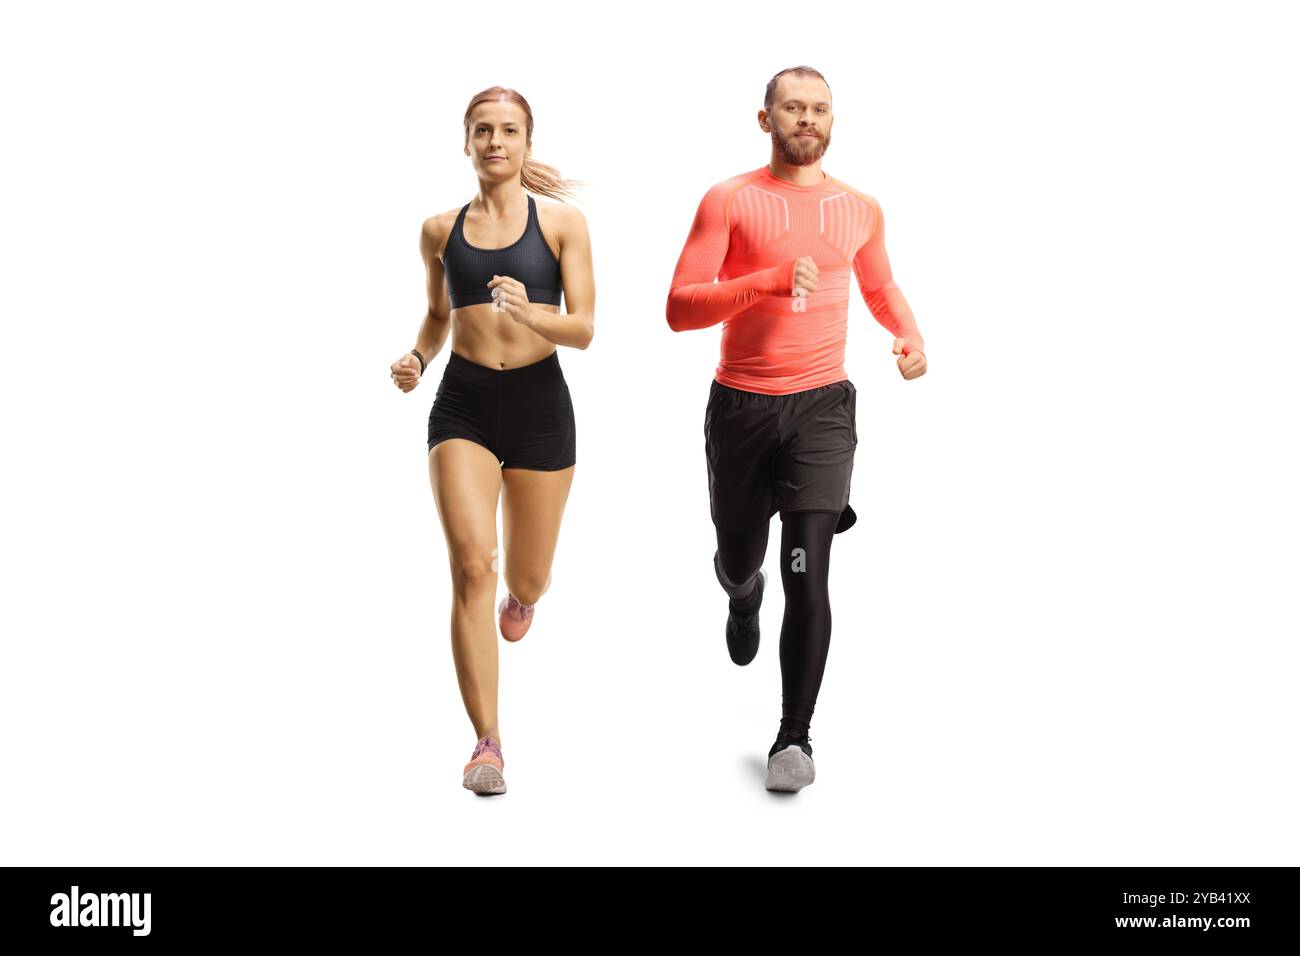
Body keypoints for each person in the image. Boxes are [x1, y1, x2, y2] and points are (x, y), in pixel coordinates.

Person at [665, 66, 927, 793]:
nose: (806, 119)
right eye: (792, 108)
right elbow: (680, 307)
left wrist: (908, 336)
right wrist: (768, 280)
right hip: (742, 406)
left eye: (818, 109)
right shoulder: (731, 199)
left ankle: (794, 739)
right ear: (765, 119)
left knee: (806, 566)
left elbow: (878, 286)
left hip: (822, 407)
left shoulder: (861, 208)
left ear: (832, 120)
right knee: (744, 556)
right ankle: (738, 592)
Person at [390, 86, 595, 795]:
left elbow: (586, 329)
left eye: (509, 130)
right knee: (473, 565)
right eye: (483, 131)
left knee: (525, 575)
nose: (496, 141)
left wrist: (534, 313)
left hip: (541, 408)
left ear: (527, 144)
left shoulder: (564, 224)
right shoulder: (437, 230)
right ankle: (487, 744)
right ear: (467, 143)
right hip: (464, 407)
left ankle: (525, 599)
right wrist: (417, 359)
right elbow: (436, 317)